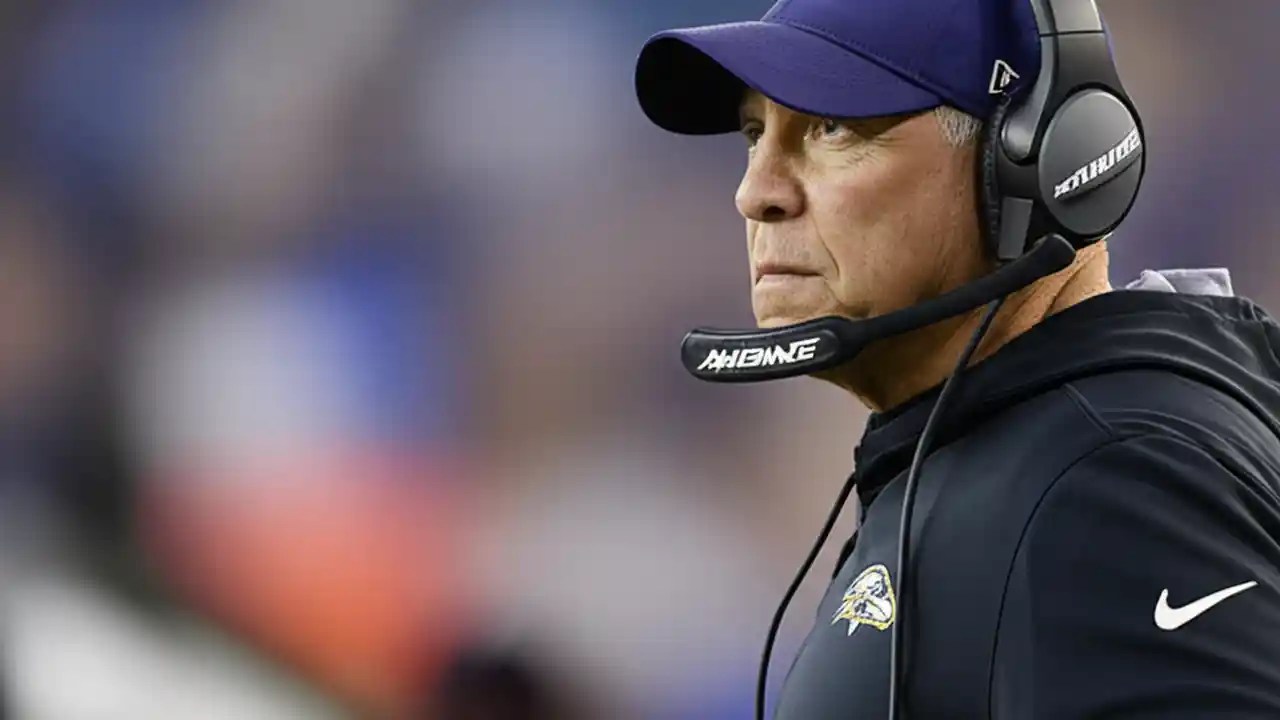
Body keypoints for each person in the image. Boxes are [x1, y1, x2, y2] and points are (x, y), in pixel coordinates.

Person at [633, 0, 1280, 718]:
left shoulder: (1113, 482)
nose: (755, 192)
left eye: (830, 127)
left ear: (1031, 164)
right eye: (756, 133)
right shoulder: (1012, 453)